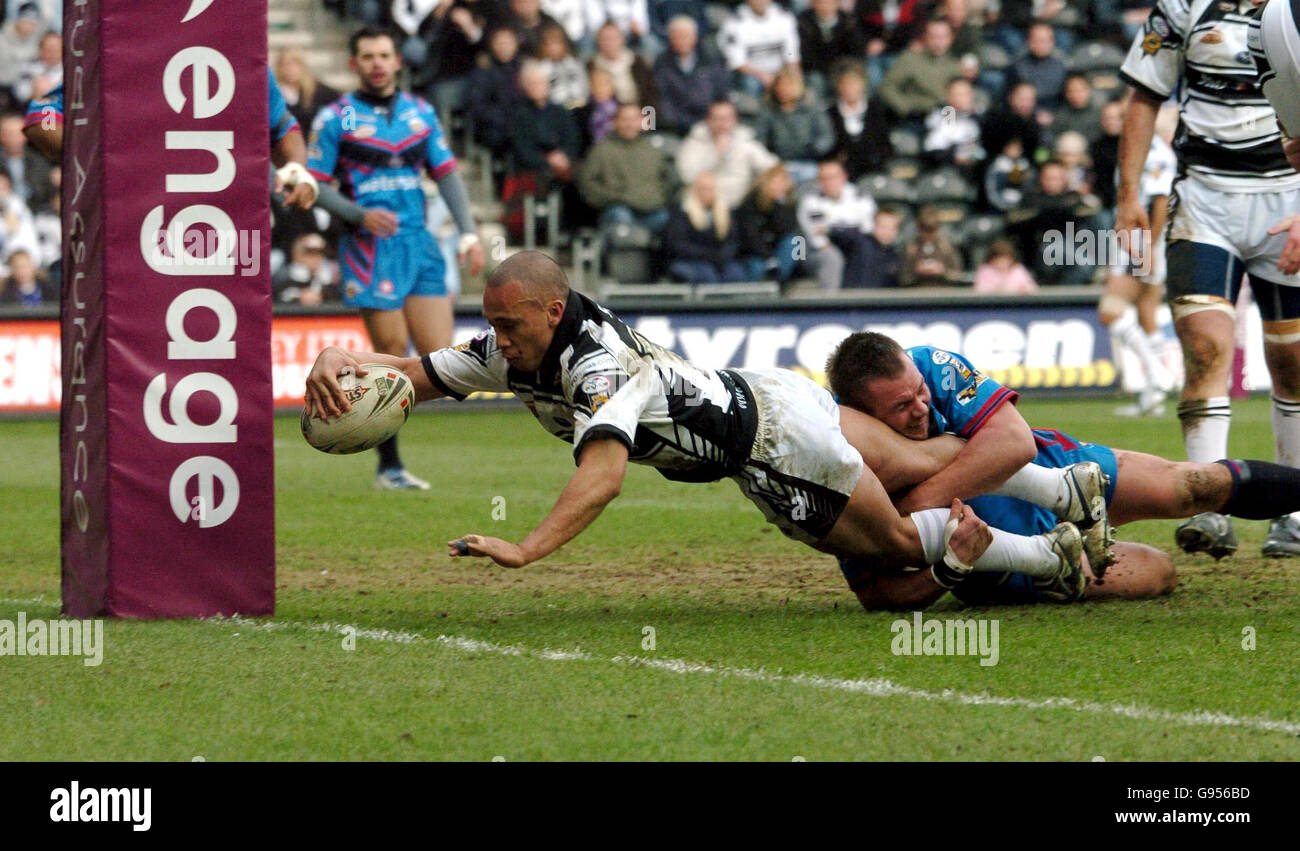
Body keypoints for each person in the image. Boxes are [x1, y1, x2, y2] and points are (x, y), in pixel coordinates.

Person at [303, 250, 1086, 598]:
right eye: (493, 326)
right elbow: (416, 375)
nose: (497, 339)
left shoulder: (594, 364)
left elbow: (603, 477)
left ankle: (1047, 557)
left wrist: (526, 546)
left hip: (774, 449)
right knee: (925, 460)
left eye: (509, 325)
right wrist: (339, 356)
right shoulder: (515, 349)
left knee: (890, 552)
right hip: (771, 392)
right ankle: (1059, 485)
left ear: (551, 309)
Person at [826, 332, 1300, 570]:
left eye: (920, 392)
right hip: (1002, 557)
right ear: (862, 414)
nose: (921, 407)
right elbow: (875, 583)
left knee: (1193, 488)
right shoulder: (843, 451)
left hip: (1056, 470)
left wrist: (913, 508)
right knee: (1158, 574)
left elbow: (1014, 442)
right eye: (902, 406)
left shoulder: (932, 363)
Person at [1117, 0, 1300, 557]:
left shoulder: (1291, 13)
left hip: (1287, 196)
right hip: (1206, 198)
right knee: (1205, 348)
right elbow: (1145, 95)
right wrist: (1127, 195)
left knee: (1293, 364)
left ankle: (1290, 512)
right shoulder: (1179, 7)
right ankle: (1206, 500)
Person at [308, 26, 485, 491]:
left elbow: (446, 175)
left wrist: (468, 234)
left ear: (398, 61)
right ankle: (389, 466)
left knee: (440, 361)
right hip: (371, 249)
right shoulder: (337, 118)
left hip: (420, 242)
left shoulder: (420, 112)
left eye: (384, 54)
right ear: (355, 64)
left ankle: (372, 427)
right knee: (387, 358)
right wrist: (357, 215)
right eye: (367, 56)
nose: (377, 63)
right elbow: (312, 187)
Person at [1099, 111, 1178, 418]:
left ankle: (1157, 375)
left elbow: (1161, 202)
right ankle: (1153, 396)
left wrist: (1148, 246)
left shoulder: (1154, 153)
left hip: (1140, 242)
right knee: (1147, 315)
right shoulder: (1136, 151)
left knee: (1110, 311)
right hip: (1139, 241)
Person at [576, 102, 674, 234]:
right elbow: (587, 183)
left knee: (669, 218)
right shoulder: (602, 150)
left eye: (634, 119)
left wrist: (659, 197)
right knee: (620, 216)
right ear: (615, 122)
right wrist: (613, 196)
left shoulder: (652, 149)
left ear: (642, 122)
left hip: (653, 210)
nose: (629, 124)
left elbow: (667, 180)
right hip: (618, 210)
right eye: (624, 119)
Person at [676, 100, 778, 209]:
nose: (722, 124)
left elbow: (771, 167)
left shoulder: (745, 142)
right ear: (708, 120)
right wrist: (717, 154)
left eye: (726, 119)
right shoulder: (695, 142)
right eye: (717, 119)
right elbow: (686, 176)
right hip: (702, 205)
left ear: (734, 120)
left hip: (738, 206)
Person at [796, 158, 877, 290]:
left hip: (853, 242)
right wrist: (842, 230)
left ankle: (860, 295)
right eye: (824, 178)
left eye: (833, 177)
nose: (829, 182)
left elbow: (867, 229)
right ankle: (831, 304)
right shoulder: (810, 201)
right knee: (832, 257)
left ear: (844, 177)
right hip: (809, 249)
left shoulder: (859, 196)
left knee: (866, 247)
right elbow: (818, 239)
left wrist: (832, 229)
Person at [752, 66, 835, 185]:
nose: (783, 89)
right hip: (779, 164)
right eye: (780, 85)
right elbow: (760, 140)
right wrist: (772, 158)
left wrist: (813, 149)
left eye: (787, 85)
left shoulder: (811, 109)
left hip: (809, 161)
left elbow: (827, 136)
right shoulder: (768, 112)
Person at [651, 15, 731, 135]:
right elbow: (663, 100)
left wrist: (711, 121)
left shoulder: (711, 60)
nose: (682, 41)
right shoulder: (662, 64)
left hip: (709, 124)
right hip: (676, 127)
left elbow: (721, 95)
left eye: (686, 36)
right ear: (671, 39)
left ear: (695, 37)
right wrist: (680, 123)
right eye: (678, 36)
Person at [663, 172, 746, 283]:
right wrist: (707, 255)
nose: (706, 193)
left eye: (710, 189)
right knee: (707, 276)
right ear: (695, 190)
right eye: (702, 188)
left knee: (736, 275)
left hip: (720, 259)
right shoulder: (682, 212)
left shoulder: (725, 212)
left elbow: (733, 240)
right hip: (691, 259)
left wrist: (722, 255)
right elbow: (677, 244)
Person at [877, 18, 962, 121]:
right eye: (933, 37)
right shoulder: (910, 59)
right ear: (925, 37)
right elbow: (887, 87)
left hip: (946, 118)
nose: (938, 42)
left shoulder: (955, 66)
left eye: (942, 37)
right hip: (915, 118)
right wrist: (904, 108)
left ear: (951, 38)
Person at [734, 164, 802, 283]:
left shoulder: (788, 205)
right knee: (758, 267)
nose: (779, 186)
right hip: (754, 252)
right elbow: (751, 237)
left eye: (782, 182)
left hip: (778, 251)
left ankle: (779, 282)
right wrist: (769, 258)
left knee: (795, 242)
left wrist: (779, 206)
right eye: (775, 182)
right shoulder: (750, 204)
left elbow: (787, 230)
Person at [719, 0, 801, 97]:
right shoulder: (734, 22)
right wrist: (764, 76)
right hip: (752, 74)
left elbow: (792, 54)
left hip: (781, 72)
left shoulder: (784, 17)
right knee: (751, 84)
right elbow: (738, 63)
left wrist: (795, 77)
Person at [275, 48, 342, 134]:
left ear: (302, 67)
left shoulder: (316, 89)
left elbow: (342, 105)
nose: (289, 69)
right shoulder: (275, 93)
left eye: (294, 65)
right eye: (285, 65)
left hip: (312, 143)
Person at [899, 206, 963, 286]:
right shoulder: (911, 249)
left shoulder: (946, 248)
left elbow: (958, 276)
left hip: (943, 292)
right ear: (919, 229)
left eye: (932, 230)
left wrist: (943, 271)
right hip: (916, 293)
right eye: (925, 230)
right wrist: (916, 271)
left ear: (938, 228)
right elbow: (903, 279)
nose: (928, 235)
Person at [272, 233, 339, 306]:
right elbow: (279, 295)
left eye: (320, 252)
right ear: (296, 255)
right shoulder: (284, 278)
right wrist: (299, 296)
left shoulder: (330, 281)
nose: (316, 257)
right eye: (310, 252)